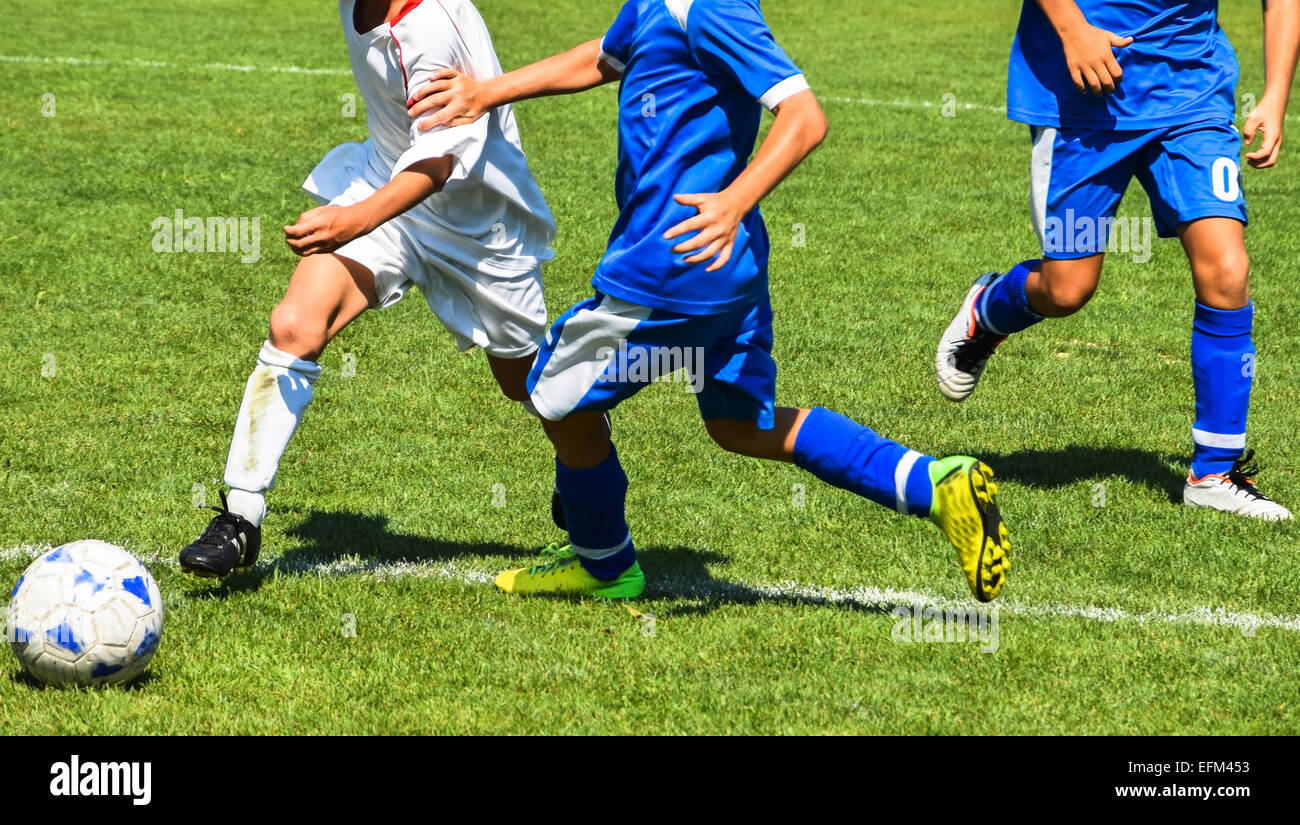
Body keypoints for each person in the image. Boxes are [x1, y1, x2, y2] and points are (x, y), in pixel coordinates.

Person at [408, 0, 1011, 601]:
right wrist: (489, 92)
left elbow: (804, 116)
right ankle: (934, 484)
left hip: (674, 264)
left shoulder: (710, 8)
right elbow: (601, 57)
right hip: (730, 273)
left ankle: (604, 562)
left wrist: (734, 200)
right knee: (743, 425)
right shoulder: (655, 4)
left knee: (554, 396)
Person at [180, 0, 557, 577]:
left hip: (477, 224)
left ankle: (583, 443)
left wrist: (354, 221)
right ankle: (241, 517)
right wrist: (361, 216)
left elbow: (441, 160)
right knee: (295, 326)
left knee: (527, 384)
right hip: (384, 184)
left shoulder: (428, 24)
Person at [935, 0, 1298, 520]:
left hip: (1191, 93)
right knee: (1067, 288)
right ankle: (989, 311)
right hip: (1083, 99)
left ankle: (1214, 472)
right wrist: (1072, 28)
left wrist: (1276, 95)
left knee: (1227, 270)